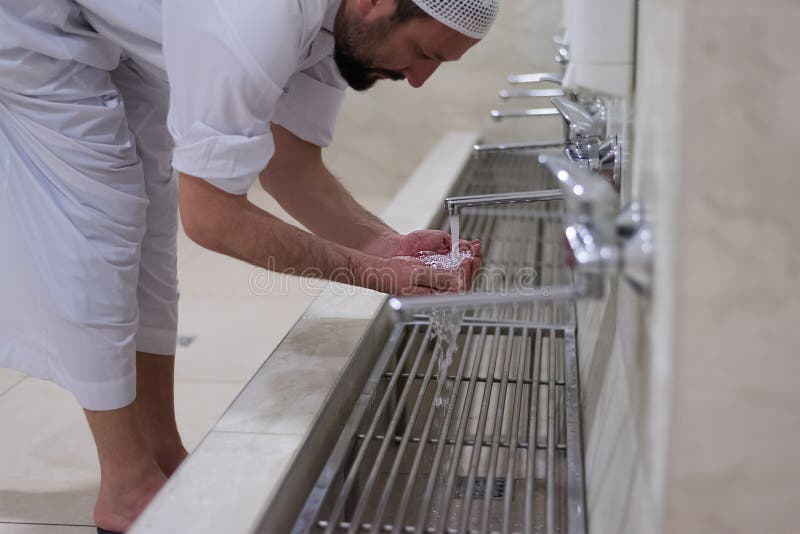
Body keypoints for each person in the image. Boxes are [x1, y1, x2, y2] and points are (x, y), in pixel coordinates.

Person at [0, 0, 499, 532]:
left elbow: (290, 164)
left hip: (105, 23)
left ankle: (162, 455)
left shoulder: (340, 27)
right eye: (423, 53)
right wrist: (369, 272)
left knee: (150, 217)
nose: (418, 79)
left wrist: (383, 245)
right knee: (103, 217)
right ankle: (126, 486)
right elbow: (212, 218)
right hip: (31, 16)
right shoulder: (259, 16)